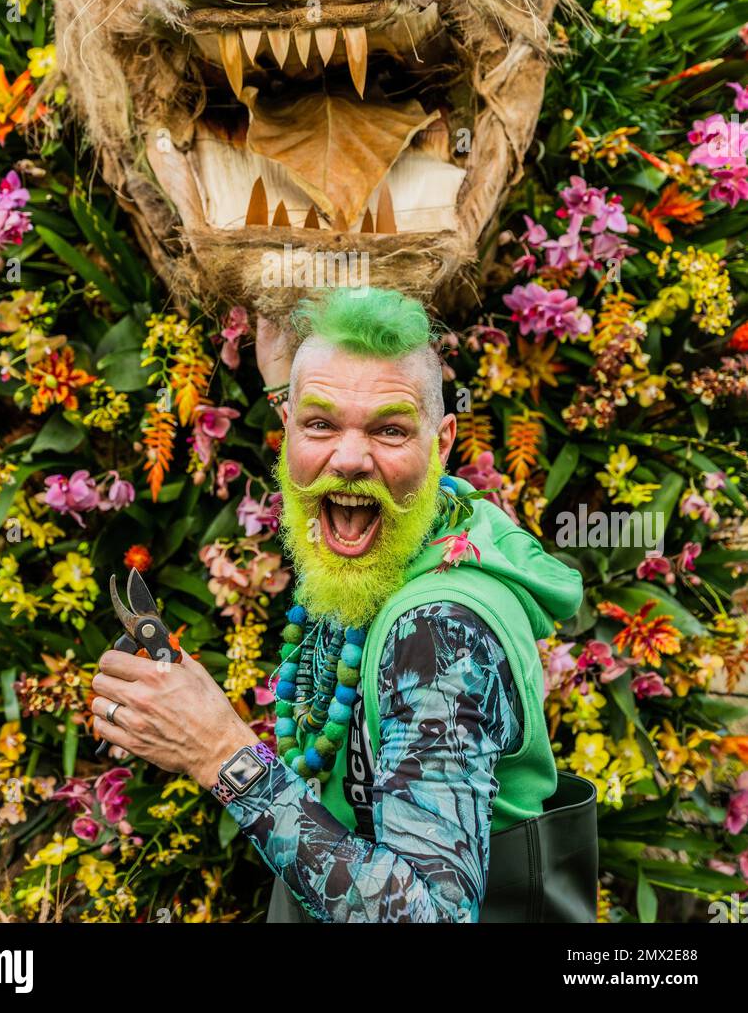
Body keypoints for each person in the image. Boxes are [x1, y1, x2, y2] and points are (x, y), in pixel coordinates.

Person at [91, 285, 597, 923]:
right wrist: (288, 374)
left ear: (442, 444)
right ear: (286, 430)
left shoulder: (438, 635)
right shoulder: (409, 536)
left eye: (389, 430)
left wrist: (218, 752)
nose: (349, 460)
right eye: (320, 423)